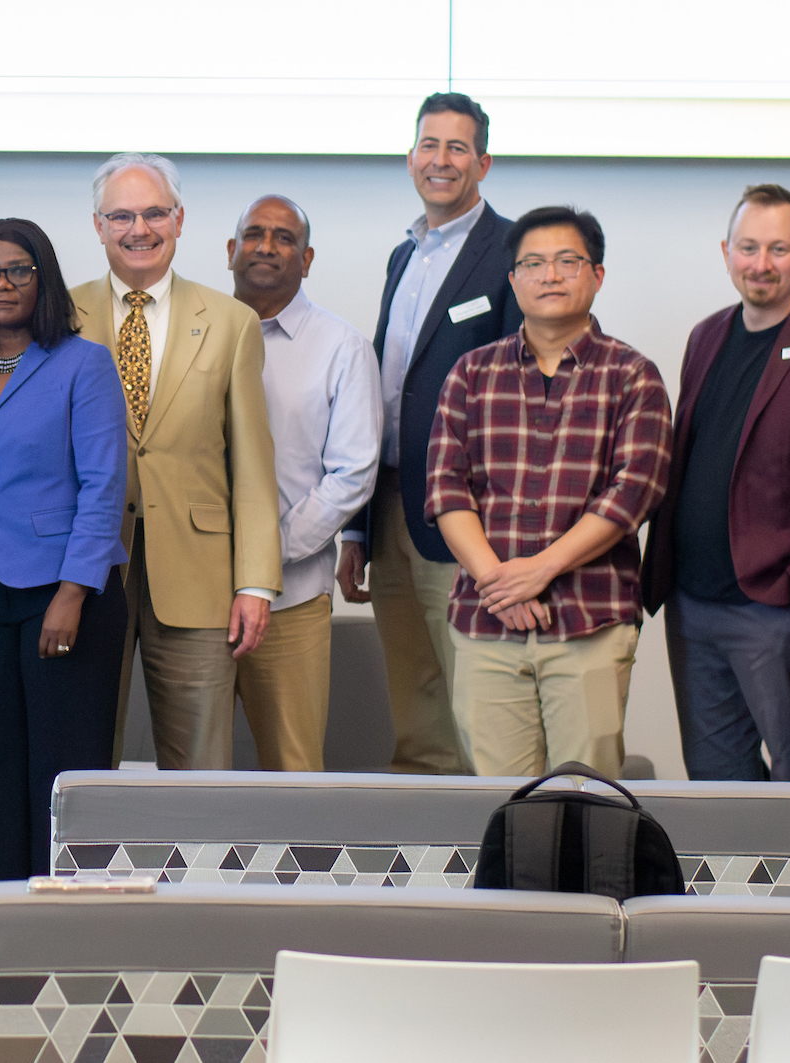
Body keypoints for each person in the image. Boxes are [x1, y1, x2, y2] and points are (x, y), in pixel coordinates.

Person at [639, 186, 790, 781]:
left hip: (772, 608)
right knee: (716, 784)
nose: (761, 263)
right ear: (726, 252)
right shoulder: (707, 335)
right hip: (692, 602)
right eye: (748, 247)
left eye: (778, 248)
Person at [425, 207, 670, 778]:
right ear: (514, 279)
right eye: (533, 264)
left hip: (589, 622)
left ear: (597, 275)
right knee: (502, 805)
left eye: (567, 261)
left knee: (586, 803)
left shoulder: (633, 375)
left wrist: (541, 570)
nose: (550, 275)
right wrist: (501, 585)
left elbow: (634, 490)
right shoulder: (471, 373)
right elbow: (445, 487)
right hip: (487, 623)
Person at [0, 218, 128, 890]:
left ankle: (62, 947)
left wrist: (73, 591)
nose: (2, 283)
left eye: (18, 269)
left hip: (64, 594)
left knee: (61, 777)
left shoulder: (84, 362)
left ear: (42, 279)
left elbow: (105, 484)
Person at [69, 153, 279, 771]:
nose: (140, 228)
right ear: (99, 225)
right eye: (123, 215)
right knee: (83, 754)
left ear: (180, 219)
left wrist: (255, 581)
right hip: (84, 571)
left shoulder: (233, 323)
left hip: (199, 574)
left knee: (199, 766)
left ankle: (195, 874)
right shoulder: (59, 316)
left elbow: (253, 464)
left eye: (155, 212)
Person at [340, 92, 522, 775]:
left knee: (476, 696)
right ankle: (432, 862)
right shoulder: (403, 256)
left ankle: (492, 855)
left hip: (463, 515)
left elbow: (518, 396)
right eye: (428, 145)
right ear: (411, 155)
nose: (440, 160)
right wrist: (357, 529)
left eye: (456, 147)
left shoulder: (510, 252)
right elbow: (389, 395)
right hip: (389, 505)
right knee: (413, 697)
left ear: (483, 163)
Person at [224, 196, 380, 772]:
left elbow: (352, 474)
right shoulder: (196, 333)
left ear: (307, 258)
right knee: (189, 775)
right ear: (231, 250)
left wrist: (259, 560)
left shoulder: (342, 348)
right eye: (255, 233)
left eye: (284, 238)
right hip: (191, 600)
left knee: (293, 772)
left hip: (288, 599)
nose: (266, 246)